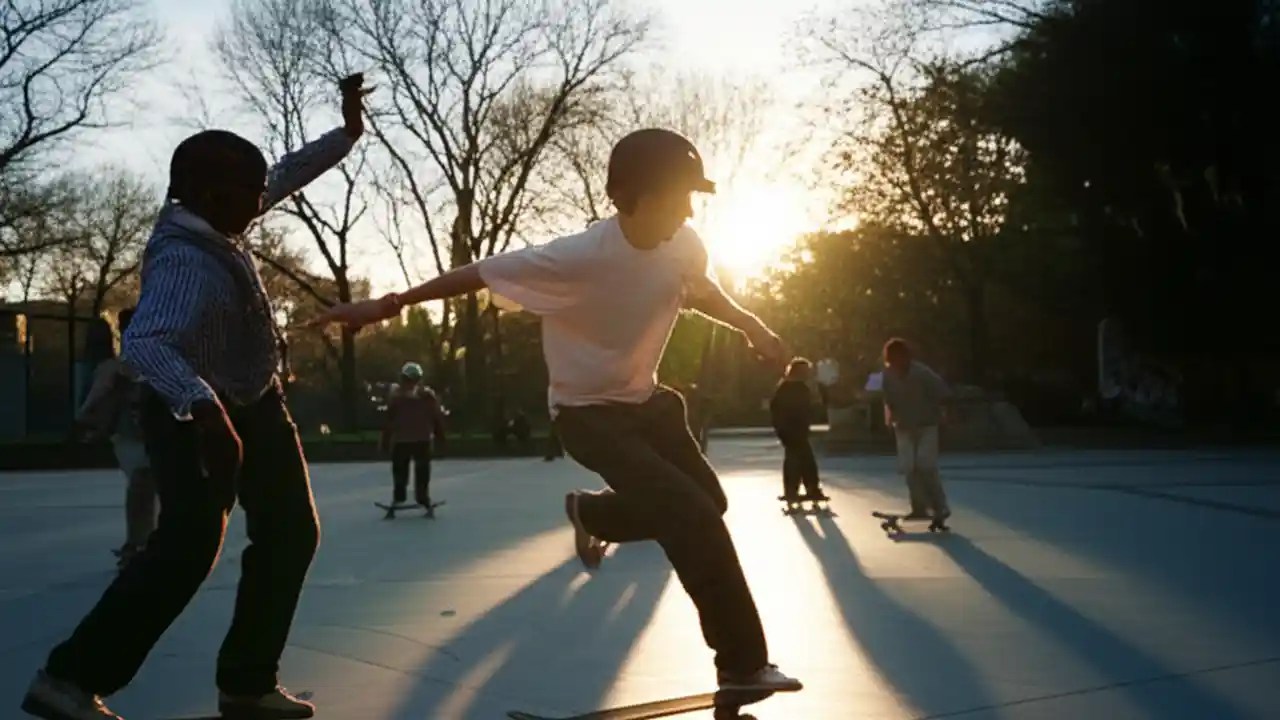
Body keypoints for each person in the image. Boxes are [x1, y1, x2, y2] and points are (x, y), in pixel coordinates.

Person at [307, 128, 803, 692]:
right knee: (692, 517)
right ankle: (741, 664)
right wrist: (387, 305)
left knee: (709, 503)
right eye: (679, 198)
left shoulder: (683, 244)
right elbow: (478, 274)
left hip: (651, 406)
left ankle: (592, 515)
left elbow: (703, 290)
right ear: (635, 196)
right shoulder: (574, 258)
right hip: (587, 415)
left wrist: (753, 326)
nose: (689, 212)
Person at [21, 74, 371, 720]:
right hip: (189, 414)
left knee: (291, 530)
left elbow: (288, 171)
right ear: (211, 196)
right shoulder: (184, 260)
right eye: (250, 194)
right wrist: (205, 408)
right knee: (187, 546)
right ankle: (67, 678)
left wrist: (347, 133)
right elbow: (147, 347)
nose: (261, 201)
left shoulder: (218, 210)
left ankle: (246, 682)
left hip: (257, 404)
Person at [75, 308, 156, 571]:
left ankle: (141, 542)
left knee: (144, 485)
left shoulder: (131, 363)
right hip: (133, 433)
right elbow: (100, 394)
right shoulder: (118, 367)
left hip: (142, 432)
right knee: (142, 483)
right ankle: (138, 543)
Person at [880, 338, 952, 520]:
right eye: (892, 358)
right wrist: (889, 419)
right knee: (909, 467)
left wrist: (944, 413)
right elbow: (887, 399)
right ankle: (919, 507)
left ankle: (939, 506)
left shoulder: (921, 373)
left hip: (926, 424)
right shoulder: (888, 374)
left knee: (925, 466)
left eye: (899, 357)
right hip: (903, 426)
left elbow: (942, 391)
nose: (897, 362)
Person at [381, 361, 447, 517]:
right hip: (413, 440)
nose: (411, 384)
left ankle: (415, 497)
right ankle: (409, 497)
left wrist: (440, 436)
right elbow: (436, 418)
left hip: (411, 440)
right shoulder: (401, 397)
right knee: (407, 472)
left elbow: (435, 418)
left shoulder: (407, 397)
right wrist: (440, 436)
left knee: (412, 471)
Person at [770, 358, 823, 503]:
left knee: (797, 459)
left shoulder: (783, 387)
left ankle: (794, 490)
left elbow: (774, 408)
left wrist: (779, 427)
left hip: (789, 430)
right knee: (803, 459)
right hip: (795, 430)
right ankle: (809, 488)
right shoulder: (800, 389)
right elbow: (805, 410)